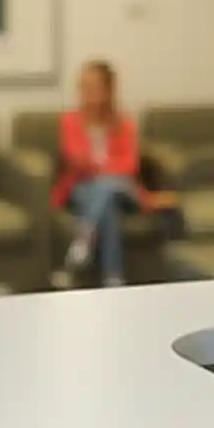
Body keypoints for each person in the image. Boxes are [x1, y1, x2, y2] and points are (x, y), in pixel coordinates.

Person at [51, 60, 152, 288]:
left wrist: (99, 169)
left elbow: (130, 166)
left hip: (124, 190)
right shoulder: (70, 122)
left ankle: (82, 242)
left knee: (108, 186)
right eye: (83, 86)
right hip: (83, 188)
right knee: (107, 208)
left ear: (108, 91)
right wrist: (106, 168)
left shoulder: (125, 124)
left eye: (93, 86)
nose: (86, 92)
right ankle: (113, 278)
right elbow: (75, 160)